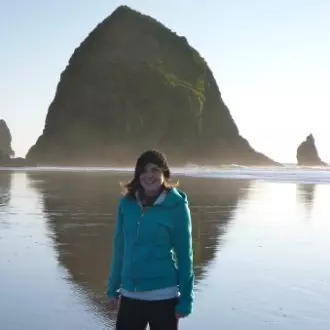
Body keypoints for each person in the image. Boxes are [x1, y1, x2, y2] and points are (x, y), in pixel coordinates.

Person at [107, 149, 194, 330]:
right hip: (130, 294)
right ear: (138, 175)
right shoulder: (127, 204)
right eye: (144, 170)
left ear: (164, 173)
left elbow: (185, 255)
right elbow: (120, 248)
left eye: (155, 169)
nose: (149, 175)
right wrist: (113, 288)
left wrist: (186, 298)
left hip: (164, 296)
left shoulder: (177, 207)